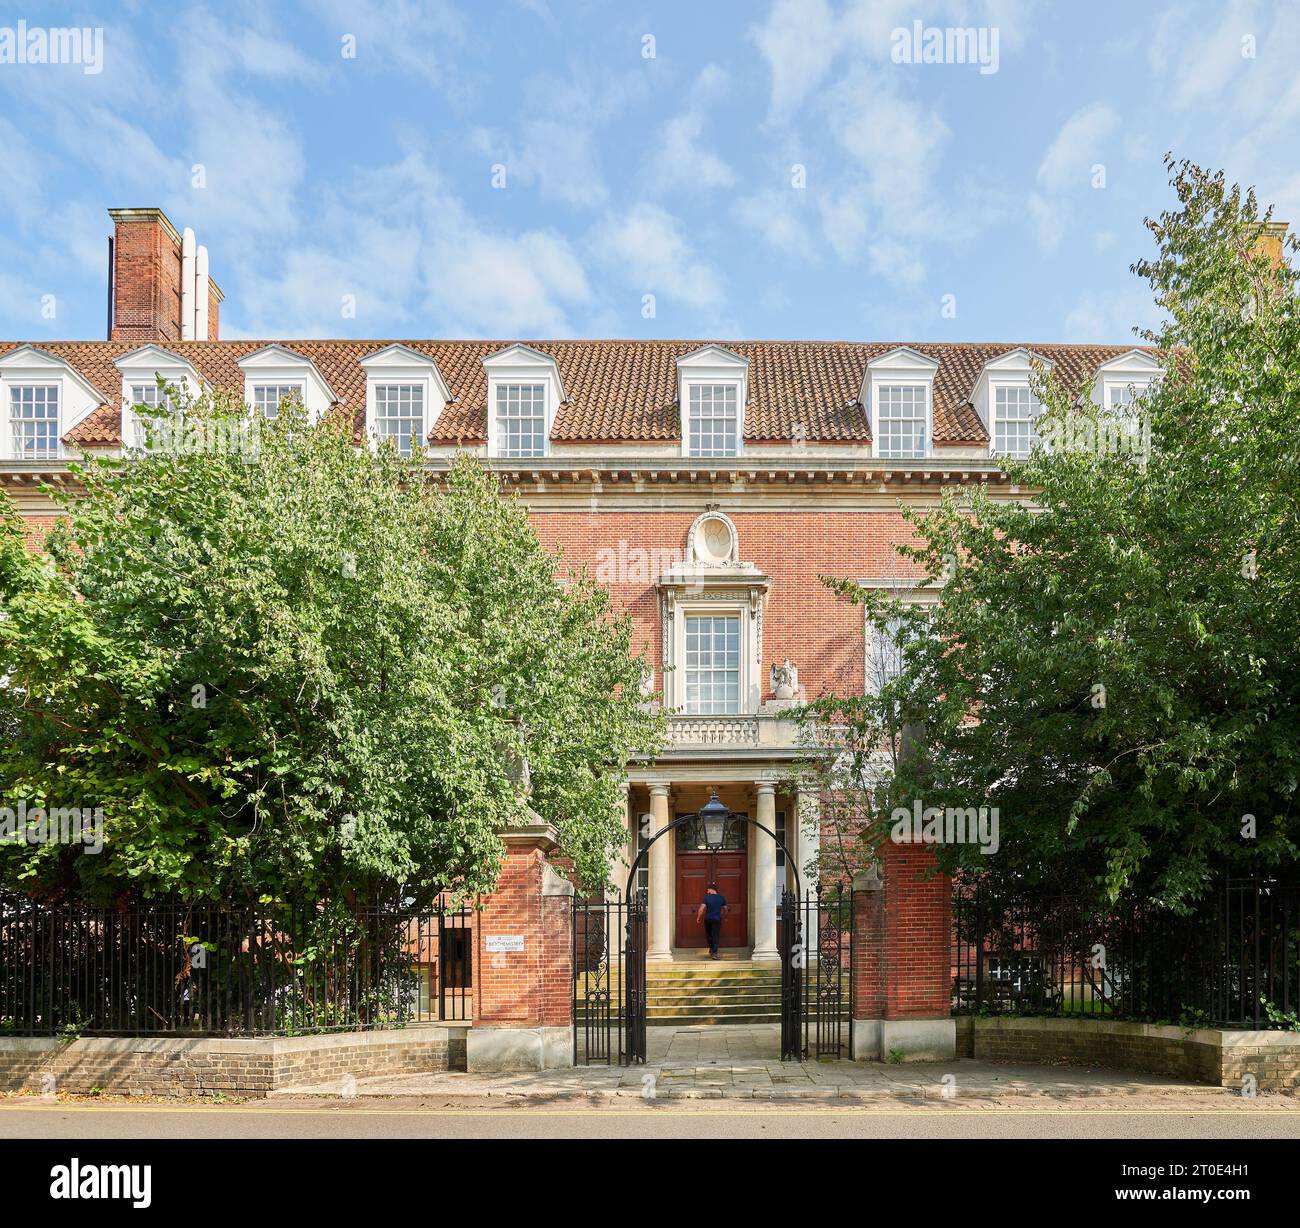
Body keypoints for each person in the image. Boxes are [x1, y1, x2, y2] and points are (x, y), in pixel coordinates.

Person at [695, 882, 729, 959]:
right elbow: (725, 909)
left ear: (711, 889)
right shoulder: (721, 898)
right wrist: (726, 917)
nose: (707, 892)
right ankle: (714, 952)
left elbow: (701, 909)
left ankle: (712, 949)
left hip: (708, 919)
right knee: (715, 936)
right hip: (717, 919)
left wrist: (698, 917)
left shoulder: (706, 898)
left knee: (709, 935)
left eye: (708, 890)